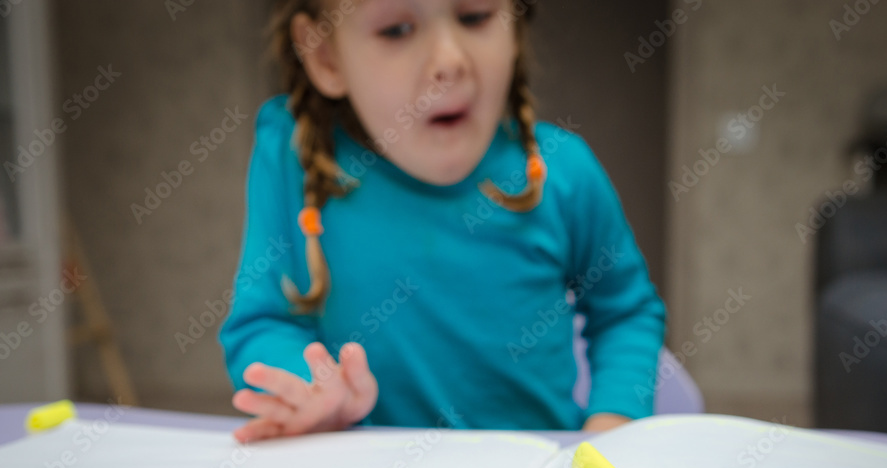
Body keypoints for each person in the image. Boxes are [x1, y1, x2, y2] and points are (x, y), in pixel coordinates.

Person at [219, 0, 666, 442]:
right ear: (325, 55)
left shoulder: (561, 172)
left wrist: (613, 424)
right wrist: (312, 388)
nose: (448, 61)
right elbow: (262, 324)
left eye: (475, 17)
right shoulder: (290, 158)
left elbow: (626, 312)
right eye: (396, 29)